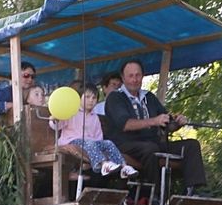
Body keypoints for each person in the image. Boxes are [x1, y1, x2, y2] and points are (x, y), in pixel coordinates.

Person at [104, 59, 207, 196]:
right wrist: (154, 121)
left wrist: (176, 123)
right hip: (125, 144)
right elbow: (125, 124)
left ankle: (191, 192)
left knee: (191, 146)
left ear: (142, 76)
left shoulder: (149, 97)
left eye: (138, 75)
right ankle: (157, 196)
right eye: (130, 76)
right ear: (123, 78)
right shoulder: (115, 98)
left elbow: (165, 124)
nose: (135, 79)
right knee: (151, 149)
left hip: (153, 144)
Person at [50, 83, 138, 179]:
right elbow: (57, 125)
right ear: (79, 98)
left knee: (108, 143)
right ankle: (104, 165)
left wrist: (100, 145)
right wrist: (54, 119)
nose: (91, 100)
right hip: (72, 141)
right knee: (89, 142)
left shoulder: (95, 117)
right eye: (87, 97)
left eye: (94, 98)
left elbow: (98, 136)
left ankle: (124, 167)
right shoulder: (72, 111)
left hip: (90, 144)